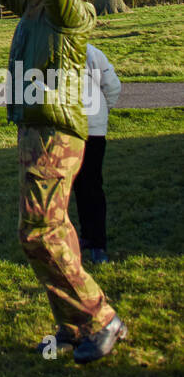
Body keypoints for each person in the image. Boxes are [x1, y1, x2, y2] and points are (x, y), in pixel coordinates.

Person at [0, 0, 127, 364]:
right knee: (47, 231)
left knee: (39, 232)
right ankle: (73, 322)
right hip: (34, 129)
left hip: (56, 135)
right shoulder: (38, 9)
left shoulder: (73, 15)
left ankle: (101, 319)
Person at [74, 43, 121, 265]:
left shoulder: (91, 53)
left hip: (90, 128)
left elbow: (111, 86)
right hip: (75, 127)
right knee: (81, 185)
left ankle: (98, 243)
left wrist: (101, 112)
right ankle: (86, 235)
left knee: (90, 184)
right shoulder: (87, 51)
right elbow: (111, 86)